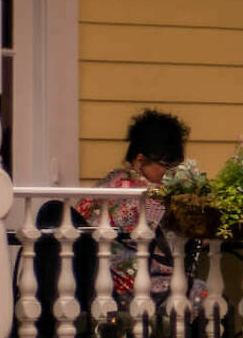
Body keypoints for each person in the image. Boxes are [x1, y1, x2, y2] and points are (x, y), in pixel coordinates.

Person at [77, 108, 188, 301]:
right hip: (128, 283)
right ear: (140, 160)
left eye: (176, 165)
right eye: (166, 165)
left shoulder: (111, 180)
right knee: (197, 292)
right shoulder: (141, 192)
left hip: (101, 280)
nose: (172, 172)